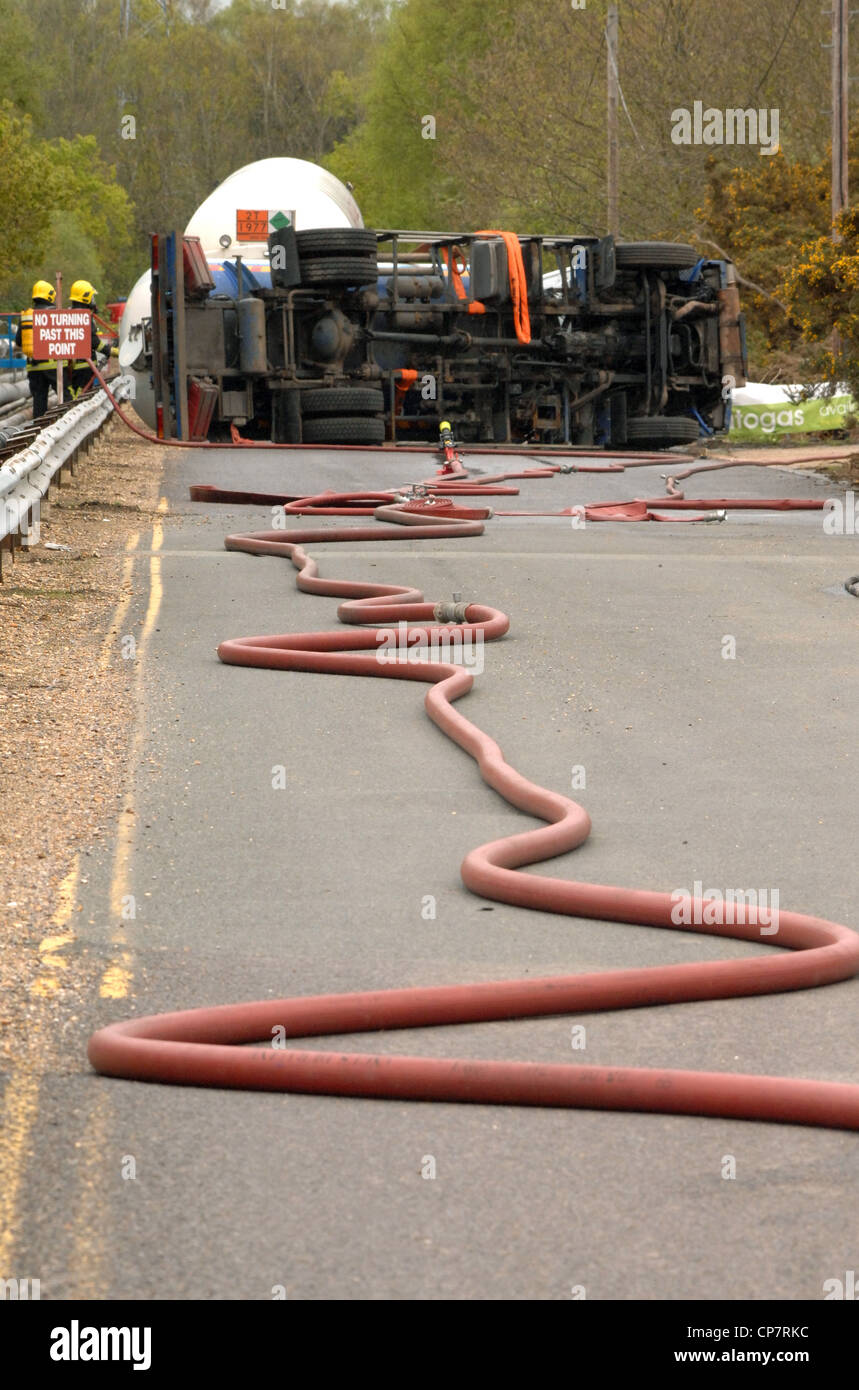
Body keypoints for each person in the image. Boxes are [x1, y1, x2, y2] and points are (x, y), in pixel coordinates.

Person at [15, 279, 58, 421]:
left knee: (39, 403)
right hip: (53, 366)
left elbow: (19, 341)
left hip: (33, 366)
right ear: (50, 295)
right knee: (66, 396)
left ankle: (39, 430)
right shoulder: (54, 314)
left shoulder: (27, 315)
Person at [66, 280, 104, 398]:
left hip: (71, 367)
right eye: (91, 296)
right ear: (85, 298)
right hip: (85, 367)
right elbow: (94, 342)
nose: (93, 300)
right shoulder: (85, 317)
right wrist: (111, 351)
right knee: (83, 398)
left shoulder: (67, 314)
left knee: (74, 396)